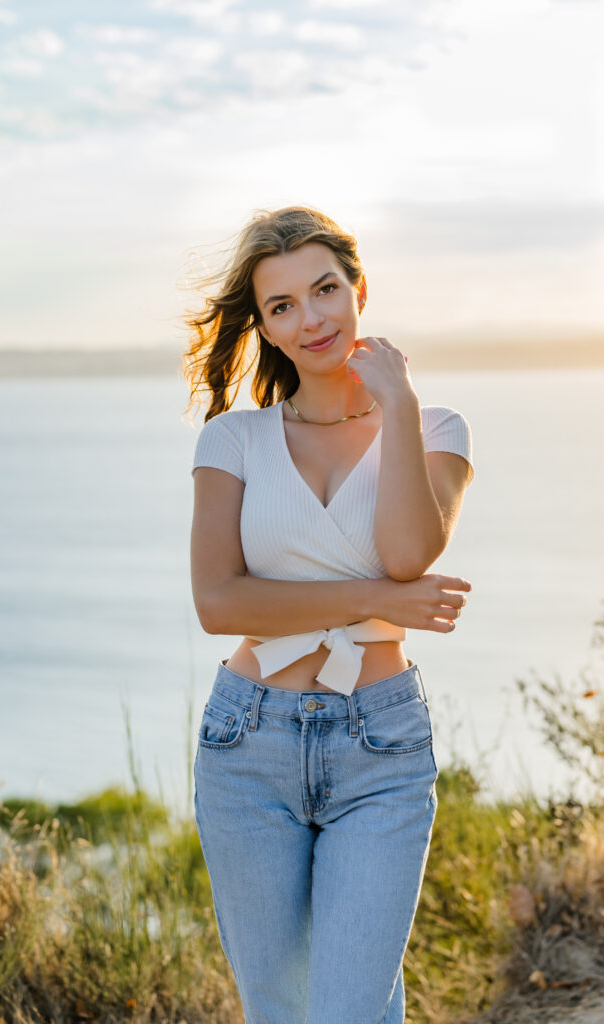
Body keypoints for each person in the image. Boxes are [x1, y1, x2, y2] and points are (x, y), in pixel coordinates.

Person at [183, 206, 474, 1024]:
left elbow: (407, 555)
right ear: (266, 329)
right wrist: (380, 604)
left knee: (347, 1009)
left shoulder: (436, 427)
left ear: (357, 290)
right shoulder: (231, 441)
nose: (309, 319)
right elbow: (219, 603)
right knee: (281, 1009)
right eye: (281, 306)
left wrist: (399, 404)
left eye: (323, 290)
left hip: (378, 745)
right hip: (248, 745)